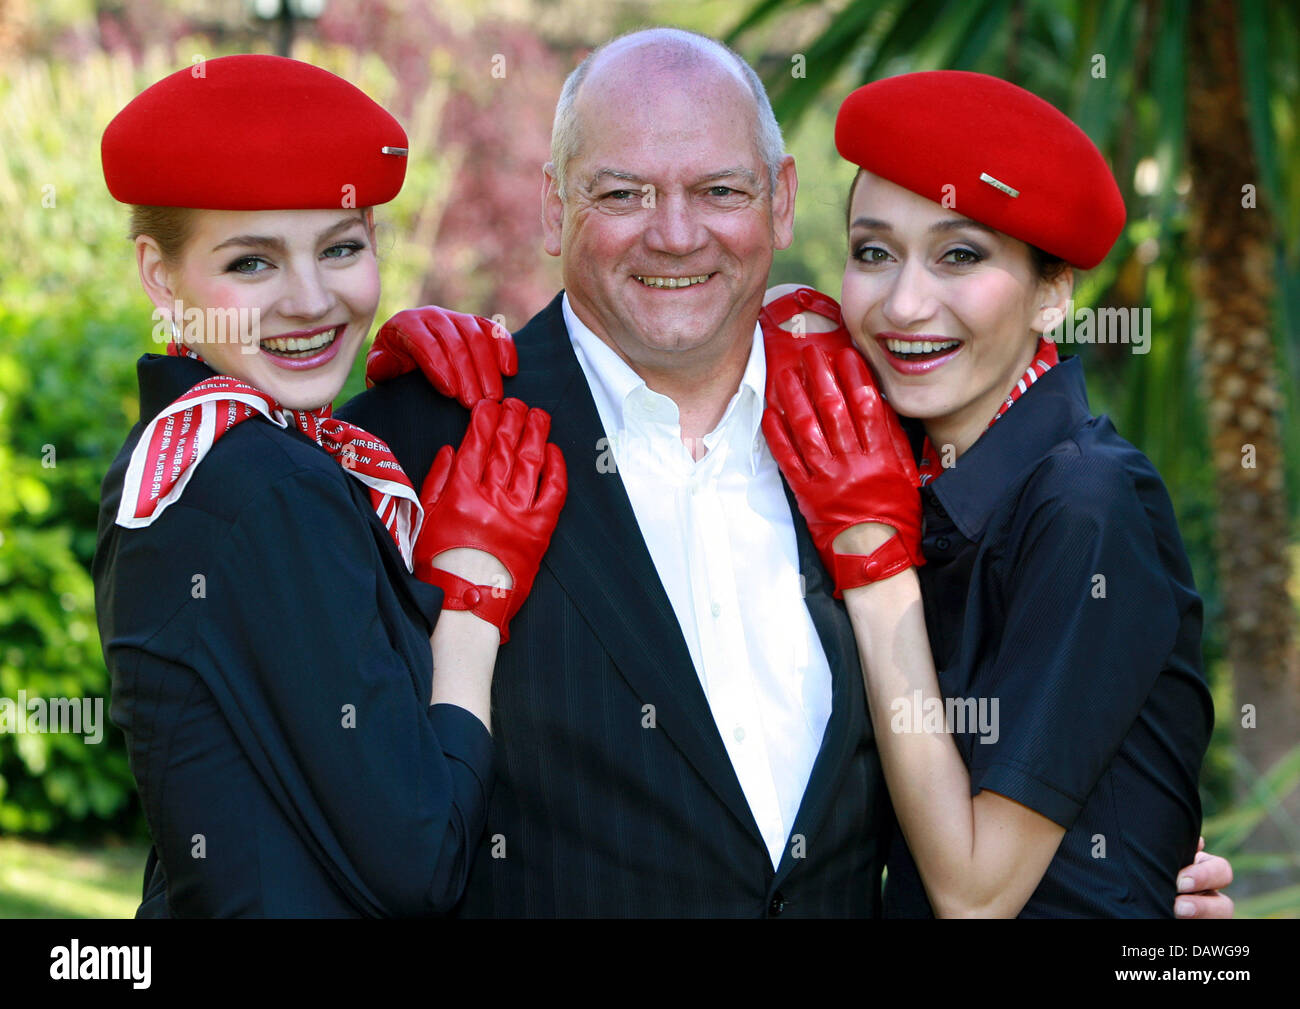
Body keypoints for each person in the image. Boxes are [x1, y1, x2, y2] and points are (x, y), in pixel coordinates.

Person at [350, 29, 1234, 916]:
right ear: (553, 206)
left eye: (720, 191)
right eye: (621, 193)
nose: (675, 233)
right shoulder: (419, 445)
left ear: (779, 201)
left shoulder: (876, 441)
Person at [92, 54, 565, 917]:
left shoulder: (197, 458)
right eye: (251, 264)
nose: (311, 300)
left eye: (341, 248)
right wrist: (472, 600)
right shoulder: (267, 486)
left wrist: (393, 413)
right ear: (160, 277)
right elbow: (424, 858)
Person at [762, 70, 1214, 916]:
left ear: (1053, 293)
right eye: (873, 251)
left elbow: (973, 894)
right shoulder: (903, 466)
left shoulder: (1087, 501)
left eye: (959, 255)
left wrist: (875, 569)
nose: (903, 303)